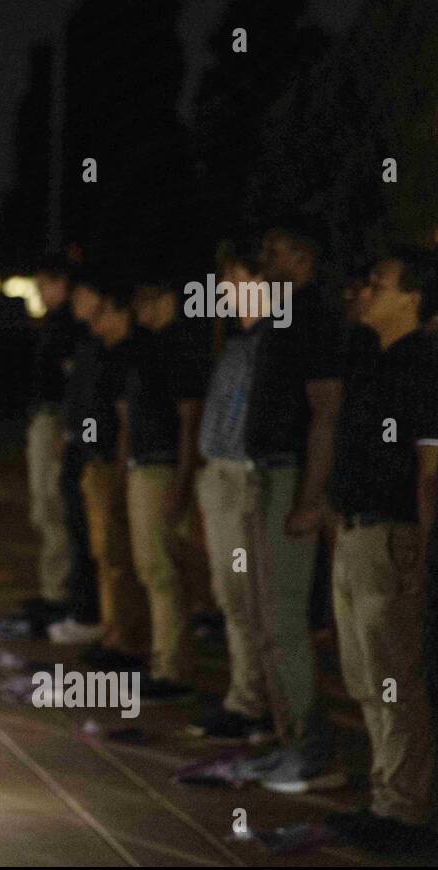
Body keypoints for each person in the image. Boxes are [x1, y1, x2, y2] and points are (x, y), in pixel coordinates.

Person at [322, 248, 438, 853]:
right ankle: (385, 798)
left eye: (380, 283)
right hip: (357, 531)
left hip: (390, 535)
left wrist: (420, 545)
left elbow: (429, 465)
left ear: (413, 299)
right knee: (367, 677)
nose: (365, 291)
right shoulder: (378, 358)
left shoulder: (421, 362)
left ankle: (406, 811)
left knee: (395, 677)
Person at [232, 222, 348, 793]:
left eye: (273, 250)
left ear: (303, 257)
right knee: (263, 619)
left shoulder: (313, 317)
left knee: (282, 620)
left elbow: (326, 412)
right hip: (267, 475)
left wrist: (310, 500)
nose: (263, 257)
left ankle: (310, 747)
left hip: (288, 479)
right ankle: (288, 739)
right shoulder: (282, 315)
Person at [186, 248, 274, 742]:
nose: (221, 286)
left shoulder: (269, 343)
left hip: (241, 477)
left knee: (244, 595)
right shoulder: (241, 343)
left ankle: (253, 703)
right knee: (231, 594)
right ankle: (248, 696)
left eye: (233, 276)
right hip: (222, 475)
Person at [120, 277, 213, 700]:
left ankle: (172, 668)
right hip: (147, 465)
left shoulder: (179, 348)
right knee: (153, 568)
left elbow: (190, 420)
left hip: (162, 468)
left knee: (162, 569)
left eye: (144, 297)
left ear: (166, 298)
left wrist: (181, 481)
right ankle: (164, 659)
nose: (137, 307)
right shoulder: (153, 346)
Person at [60, 274, 150, 663]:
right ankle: (114, 630)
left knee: (119, 556)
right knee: (104, 554)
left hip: (112, 463)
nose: (94, 324)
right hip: (95, 460)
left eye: (101, 314)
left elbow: (124, 419)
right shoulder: (102, 351)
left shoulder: (128, 354)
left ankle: (128, 638)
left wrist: (118, 463)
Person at [4, 254, 87, 638]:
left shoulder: (70, 324)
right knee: (45, 509)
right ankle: (54, 589)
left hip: (55, 420)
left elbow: (72, 382)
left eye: (43, 285)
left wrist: (64, 428)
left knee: (53, 508)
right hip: (46, 417)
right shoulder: (57, 321)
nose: (38, 292)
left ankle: (61, 594)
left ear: (63, 284)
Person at [45, 267, 109, 646]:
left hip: (89, 454)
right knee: (77, 532)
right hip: (78, 449)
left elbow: (98, 408)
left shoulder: (100, 345)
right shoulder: (87, 341)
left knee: (92, 540)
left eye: (83, 296)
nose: (76, 303)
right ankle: (83, 611)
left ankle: (91, 616)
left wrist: (84, 445)